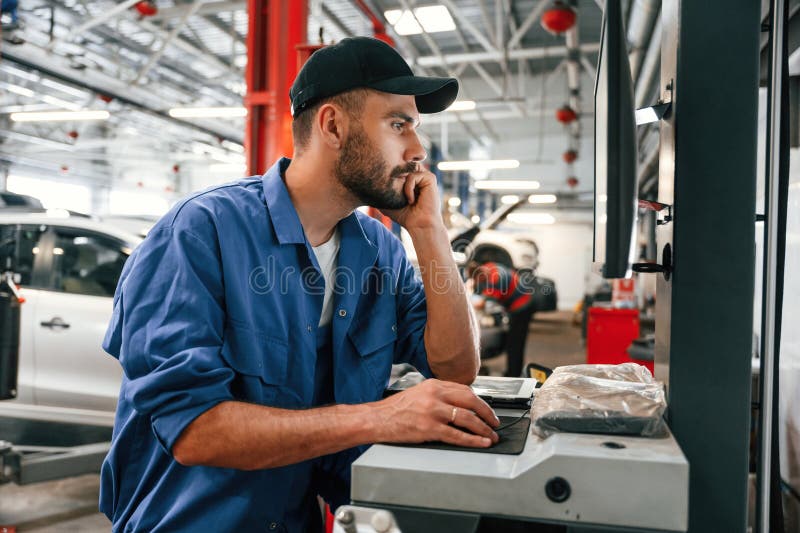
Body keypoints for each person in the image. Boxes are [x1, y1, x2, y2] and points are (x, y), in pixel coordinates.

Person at [100, 37, 500, 532]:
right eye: (399, 124)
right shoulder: (201, 232)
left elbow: (455, 367)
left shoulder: (379, 250)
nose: (418, 150)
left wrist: (430, 232)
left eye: (415, 127)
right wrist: (383, 416)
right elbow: (195, 431)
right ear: (333, 125)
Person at [467, 261, 536, 377]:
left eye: (478, 281)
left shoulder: (496, 280)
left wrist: (467, 303)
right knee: (513, 342)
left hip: (521, 307)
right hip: (522, 300)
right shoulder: (489, 266)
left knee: (515, 343)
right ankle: (512, 372)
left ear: (481, 276)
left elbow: (482, 304)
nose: (477, 283)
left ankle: (513, 375)